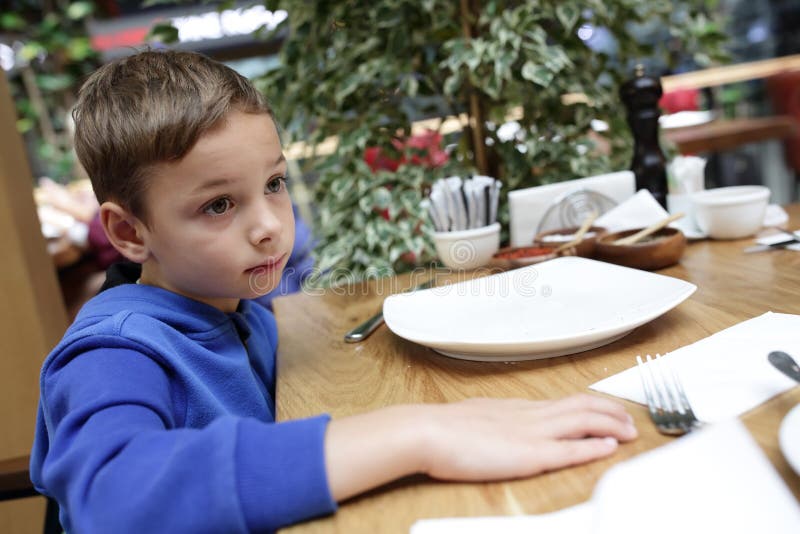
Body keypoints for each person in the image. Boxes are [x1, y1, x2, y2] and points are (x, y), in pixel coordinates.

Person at [30, 50, 638, 533]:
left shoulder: (238, 310)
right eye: (219, 205)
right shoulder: (112, 353)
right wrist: (415, 435)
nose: (269, 225)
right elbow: (114, 499)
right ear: (129, 232)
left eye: (274, 184)